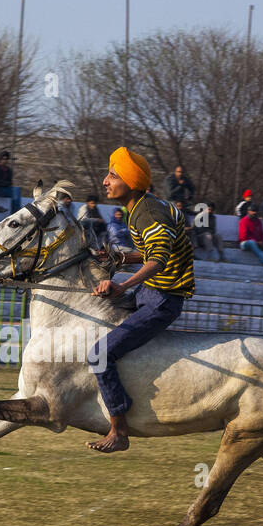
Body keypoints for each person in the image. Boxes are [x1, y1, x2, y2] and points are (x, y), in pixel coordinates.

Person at [85, 146, 195, 453]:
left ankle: (119, 431)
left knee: (99, 355)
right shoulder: (140, 207)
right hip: (150, 291)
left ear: (130, 182)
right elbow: (152, 252)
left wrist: (122, 285)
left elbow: (158, 259)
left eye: (112, 175)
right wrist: (120, 258)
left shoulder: (146, 212)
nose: (105, 181)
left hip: (162, 300)